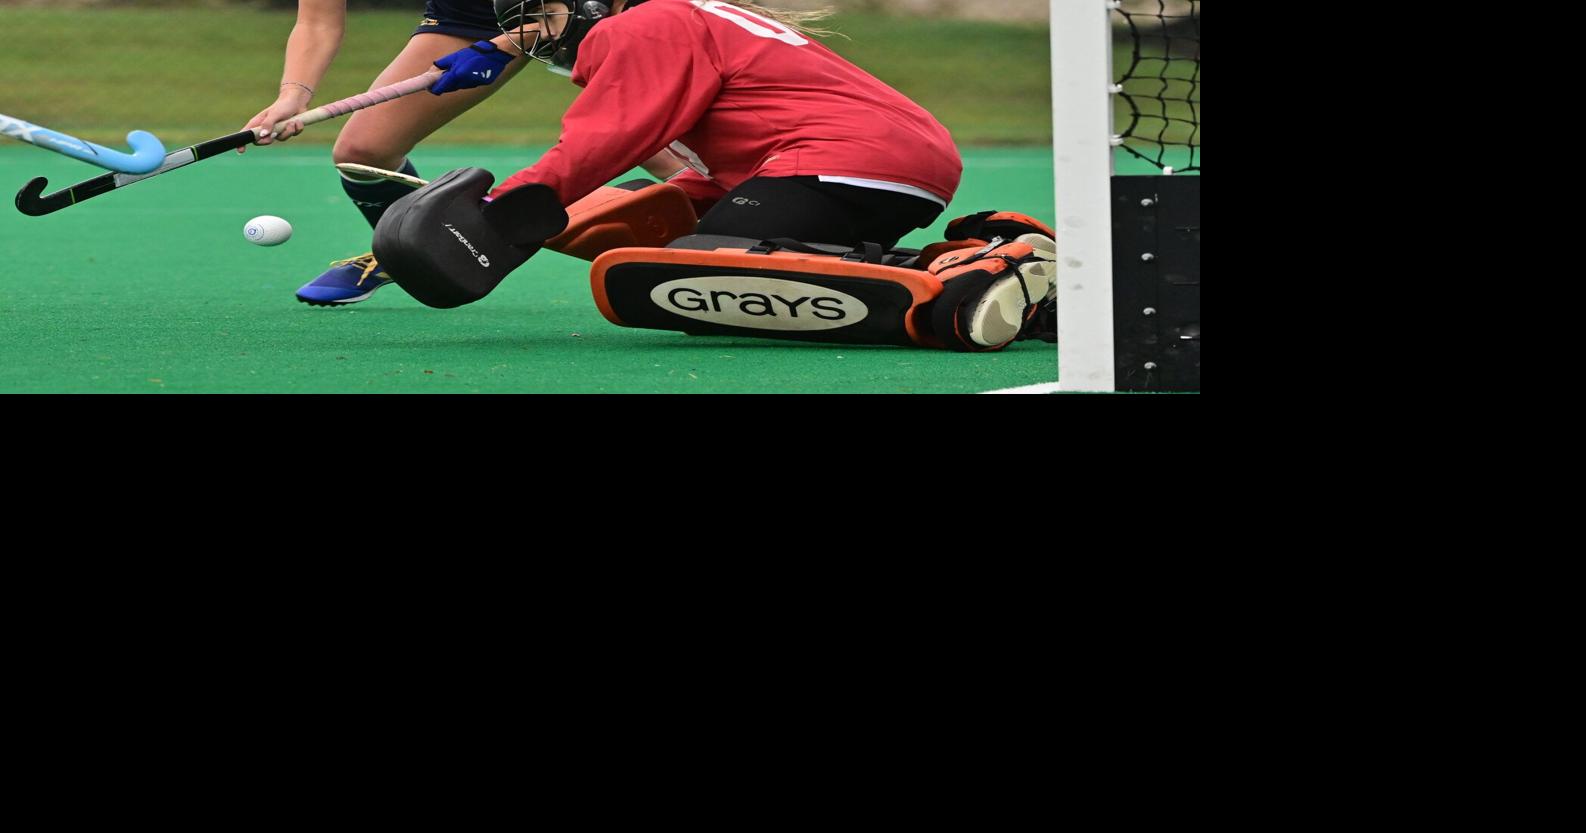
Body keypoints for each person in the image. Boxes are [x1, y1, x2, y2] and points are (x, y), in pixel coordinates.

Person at [240, 0, 683, 306]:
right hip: (470, 15)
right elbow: (318, 22)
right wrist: (292, 95)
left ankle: (737, 238)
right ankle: (412, 250)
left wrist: (501, 46)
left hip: (596, 11)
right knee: (364, 151)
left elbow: (585, 9)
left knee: (657, 147)